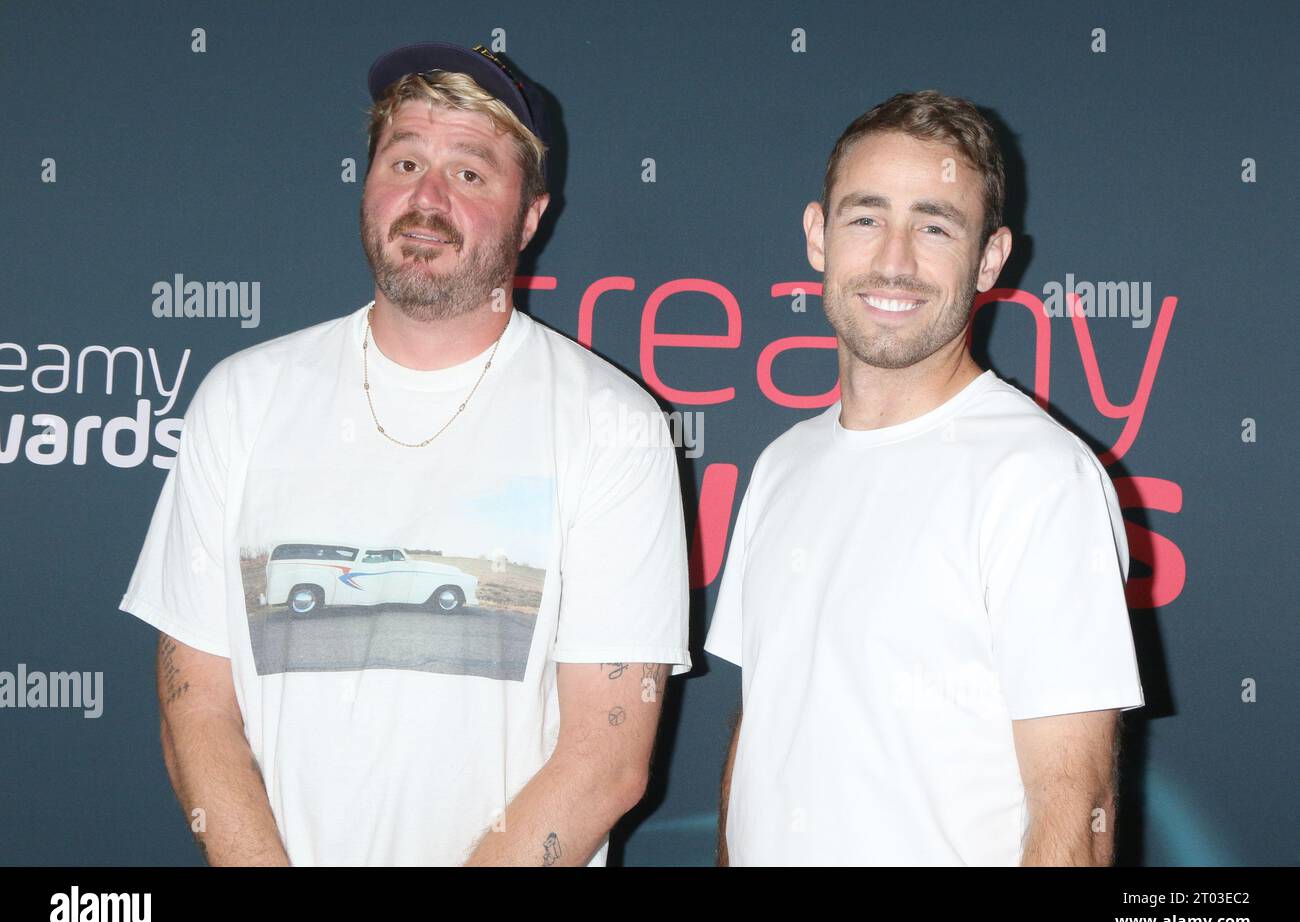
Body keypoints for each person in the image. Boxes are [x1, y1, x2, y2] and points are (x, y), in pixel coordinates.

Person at [119, 41, 690, 866]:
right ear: (367, 183)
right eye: (406, 160)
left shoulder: (614, 424)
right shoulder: (243, 397)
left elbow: (604, 761)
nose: (427, 199)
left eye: (469, 173)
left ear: (531, 216)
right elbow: (195, 706)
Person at [706, 91, 1144, 866]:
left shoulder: (1040, 479)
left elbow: (1077, 811)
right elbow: (765, 728)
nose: (895, 261)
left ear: (991, 258)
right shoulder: (783, 466)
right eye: (866, 218)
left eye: (935, 225)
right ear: (818, 235)